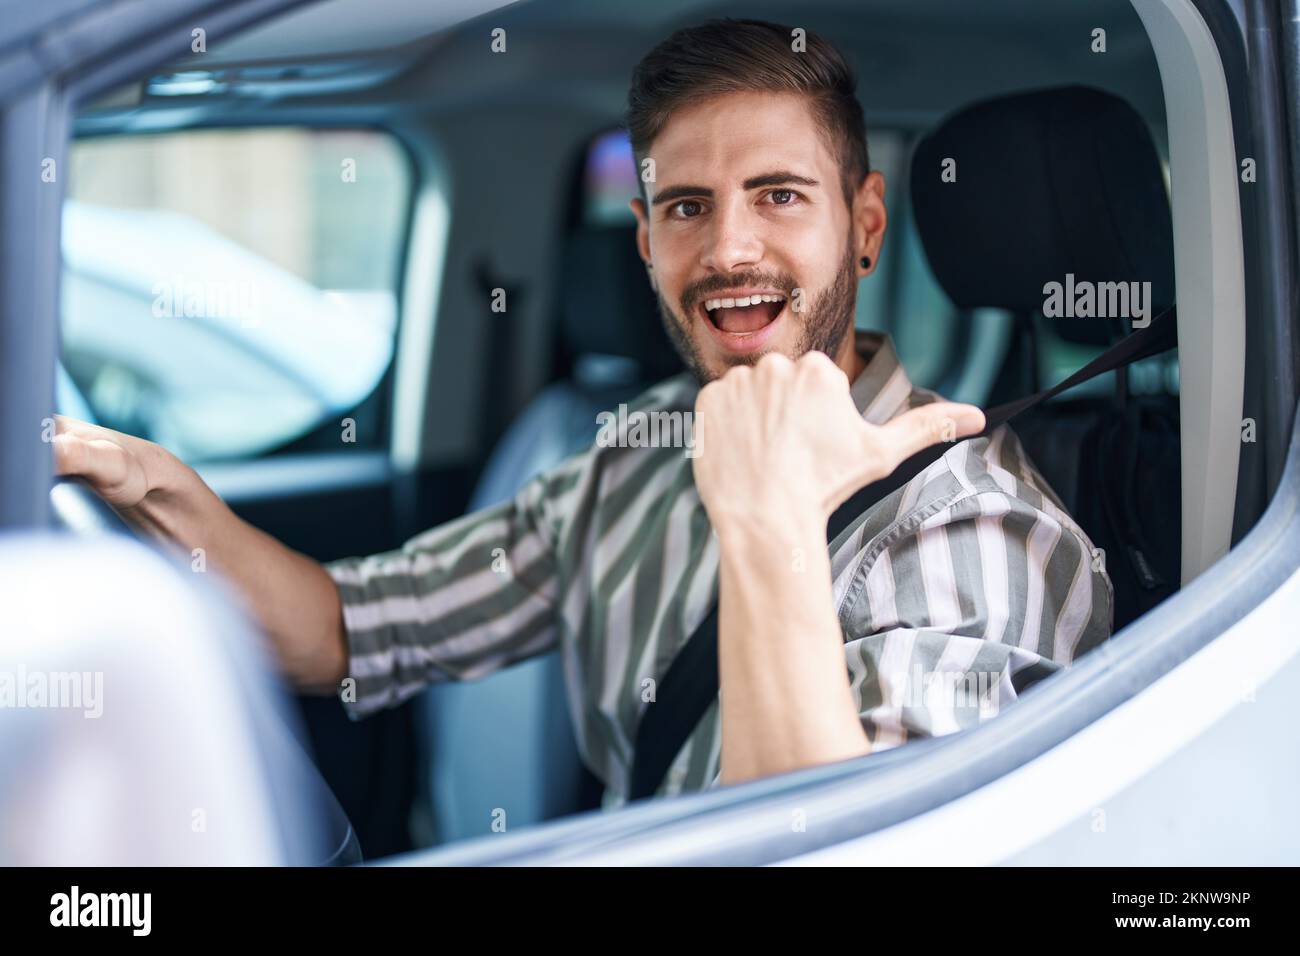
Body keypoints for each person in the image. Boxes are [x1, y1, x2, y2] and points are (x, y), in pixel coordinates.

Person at [54, 18, 1111, 807]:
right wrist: (154, 488)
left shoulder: (979, 527)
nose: (731, 249)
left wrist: (769, 516)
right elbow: (349, 628)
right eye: (687, 207)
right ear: (647, 243)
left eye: (779, 195)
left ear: (864, 222)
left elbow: (832, 848)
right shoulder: (629, 454)